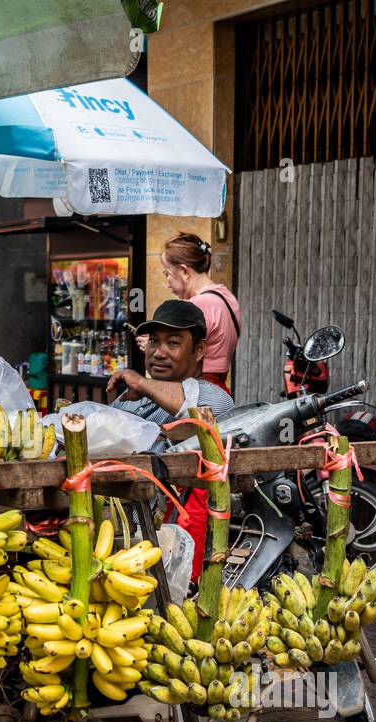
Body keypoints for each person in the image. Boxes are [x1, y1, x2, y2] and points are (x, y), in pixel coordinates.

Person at [106, 299, 235, 579]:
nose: (158, 353)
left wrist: (141, 382)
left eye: (173, 343)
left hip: (167, 545)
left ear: (199, 350)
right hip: (114, 536)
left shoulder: (212, 396)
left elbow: (213, 409)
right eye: (153, 342)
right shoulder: (129, 401)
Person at [160, 232, 242, 394]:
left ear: (184, 271)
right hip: (219, 392)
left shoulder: (196, 306)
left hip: (196, 394)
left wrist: (151, 344)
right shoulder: (228, 298)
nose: (167, 284)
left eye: (167, 274)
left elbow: (173, 359)